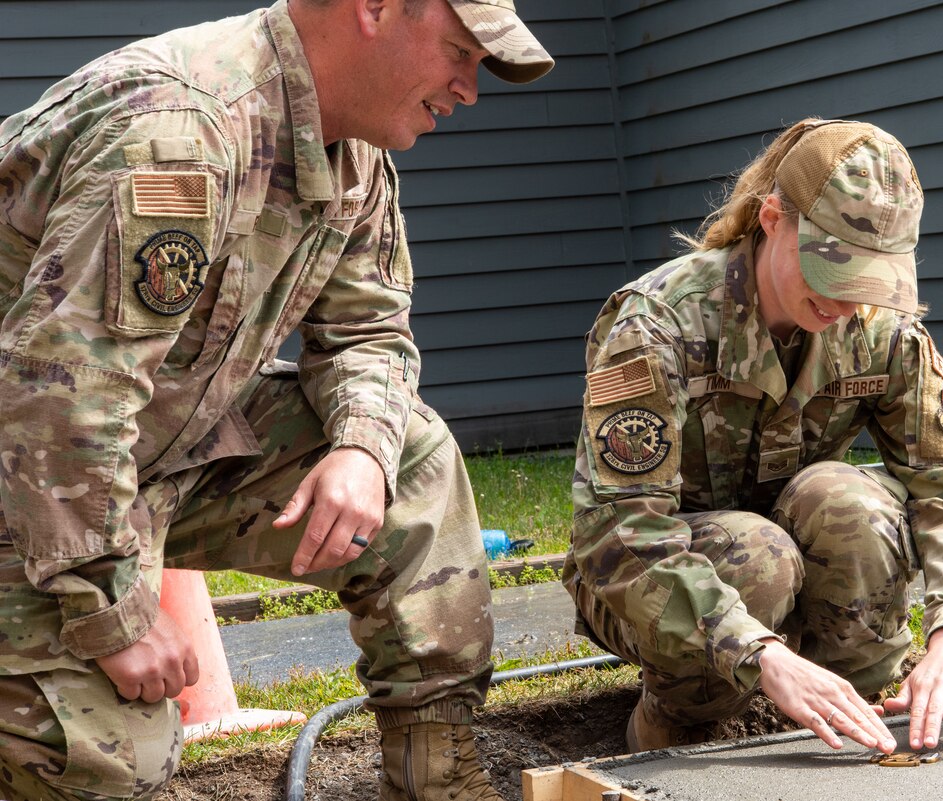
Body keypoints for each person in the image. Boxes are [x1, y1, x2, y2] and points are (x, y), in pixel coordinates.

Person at [0, 1, 552, 799]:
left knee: (413, 457)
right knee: (110, 756)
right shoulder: (179, 131)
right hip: (29, 477)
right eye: (460, 51)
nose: (468, 87)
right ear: (375, 9)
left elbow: (371, 330)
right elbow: (60, 396)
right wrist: (113, 609)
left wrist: (362, 448)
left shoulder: (353, 147)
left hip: (137, 456)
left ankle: (438, 779)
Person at [563, 119, 943, 756]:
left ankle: (861, 719)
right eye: (832, 267)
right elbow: (617, 534)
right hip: (653, 582)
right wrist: (758, 652)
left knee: (850, 503)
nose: (847, 299)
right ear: (771, 218)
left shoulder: (882, 334)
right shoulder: (659, 323)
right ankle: (674, 730)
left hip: (787, 557)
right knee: (759, 553)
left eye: (870, 276)